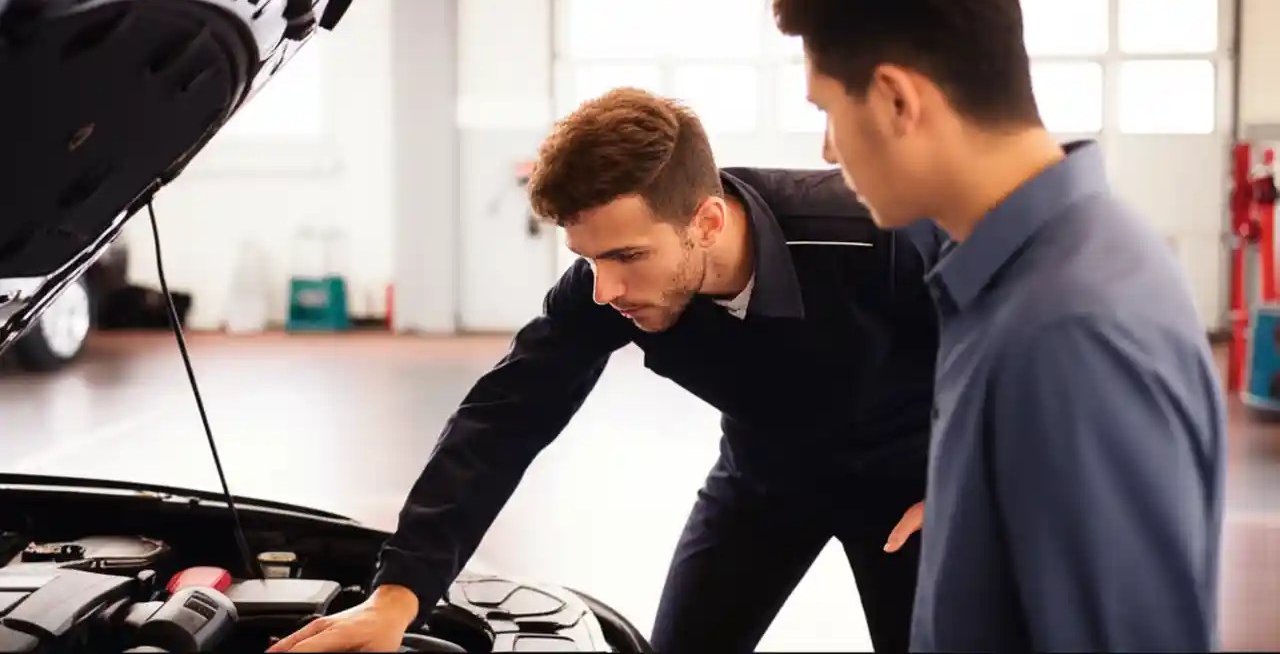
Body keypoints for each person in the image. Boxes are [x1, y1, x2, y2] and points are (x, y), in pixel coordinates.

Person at [268, 87, 939, 653]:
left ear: (705, 221)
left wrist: (966, 484)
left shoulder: (869, 231)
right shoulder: (607, 287)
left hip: (911, 483)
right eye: (590, 260)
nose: (605, 290)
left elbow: (1014, 346)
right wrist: (398, 594)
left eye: (626, 256)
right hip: (764, 479)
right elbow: (503, 418)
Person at [771, 0, 1228, 652]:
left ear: (896, 99)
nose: (828, 150)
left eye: (827, 108)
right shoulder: (1028, 272)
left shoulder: (1070, 329)